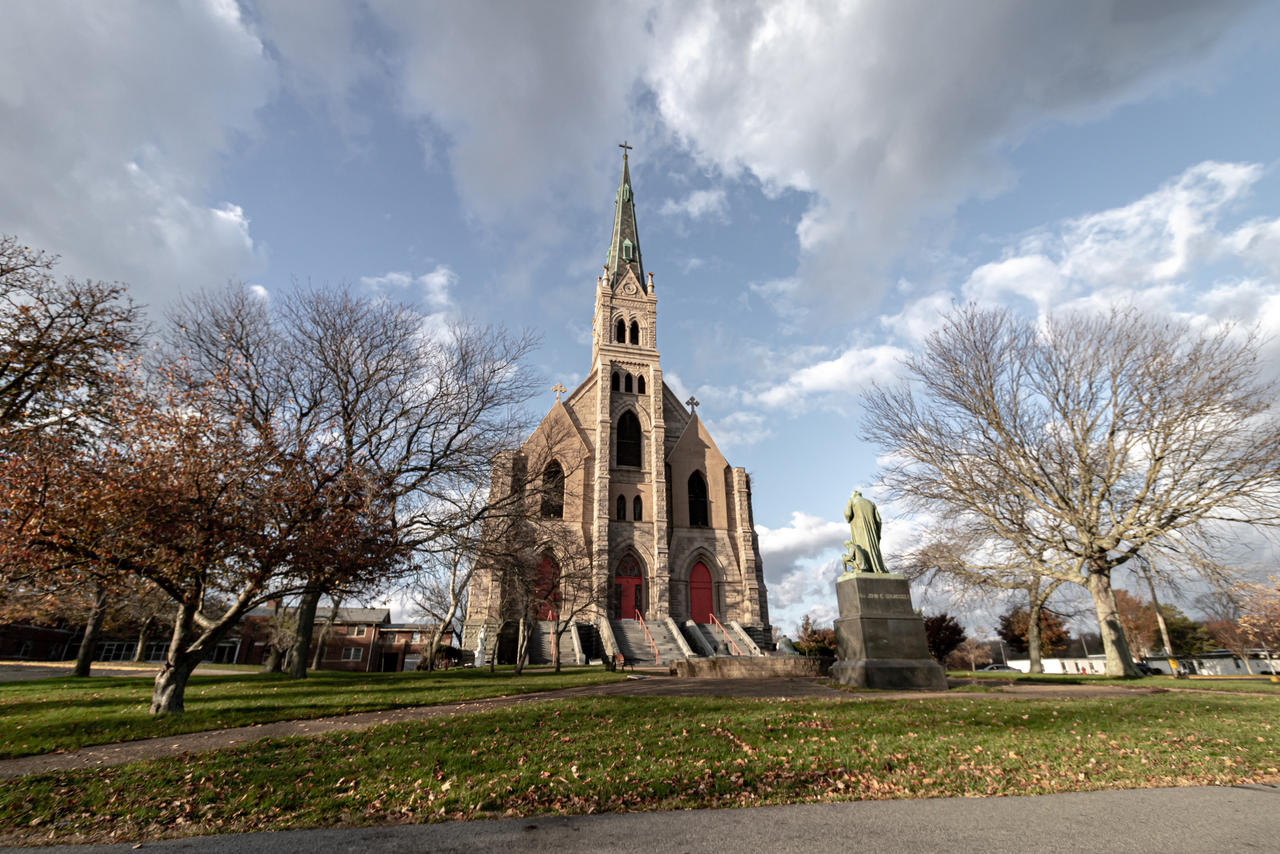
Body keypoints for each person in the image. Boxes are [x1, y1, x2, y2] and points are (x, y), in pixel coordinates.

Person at [843, 489, 888, 574]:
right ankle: (877, 568)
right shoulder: (871, 503)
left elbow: (848, 515)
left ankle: (865, 568)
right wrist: (878, 534)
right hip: (872, 531)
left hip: (859, 530)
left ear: (853, 495)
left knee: (862, 549)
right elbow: (879, 521)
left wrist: (850, 502)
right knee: (873, 551)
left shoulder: (852, 501)